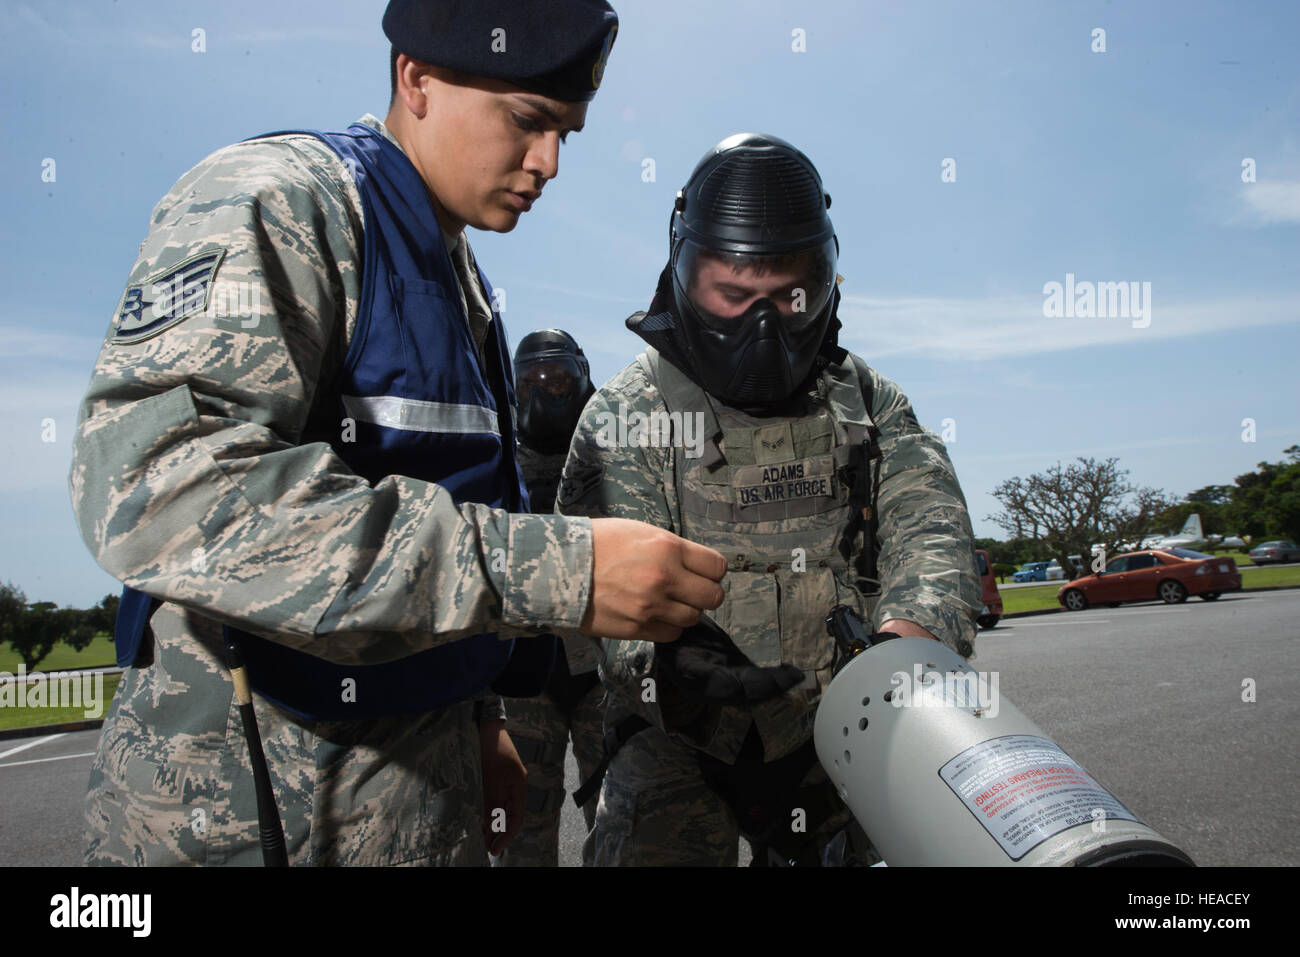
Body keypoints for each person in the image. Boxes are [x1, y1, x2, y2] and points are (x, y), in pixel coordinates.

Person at [69, 0, 728, 867]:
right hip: (247, 816)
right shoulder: (279, 201)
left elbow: (455, 499)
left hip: (425, 804)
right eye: (528, 121)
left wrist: (481, 714)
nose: (549, 162)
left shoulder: (468, 289)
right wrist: (562, 569)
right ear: (415, 78)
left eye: (567, 130)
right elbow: (162, 489)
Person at [556, 133, 983, 866]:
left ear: (822, 283)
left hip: (847, 725)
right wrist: (676, 677)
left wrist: (908, 641)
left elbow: (931, 528)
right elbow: (603, 580)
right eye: (732, 295)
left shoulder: (865, 398)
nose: (764, 327)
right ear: (686, 278)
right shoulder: (631, 410)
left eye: (789, 297)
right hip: (679, 735)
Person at [495, 329, 606, 866]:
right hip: (525, 674)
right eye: (530, 383)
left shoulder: (616, 457)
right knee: (522, 829)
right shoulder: (495, 461)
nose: (544, 394)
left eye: (558, 381)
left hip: (605, 673)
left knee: (619, 823)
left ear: (581, 381)